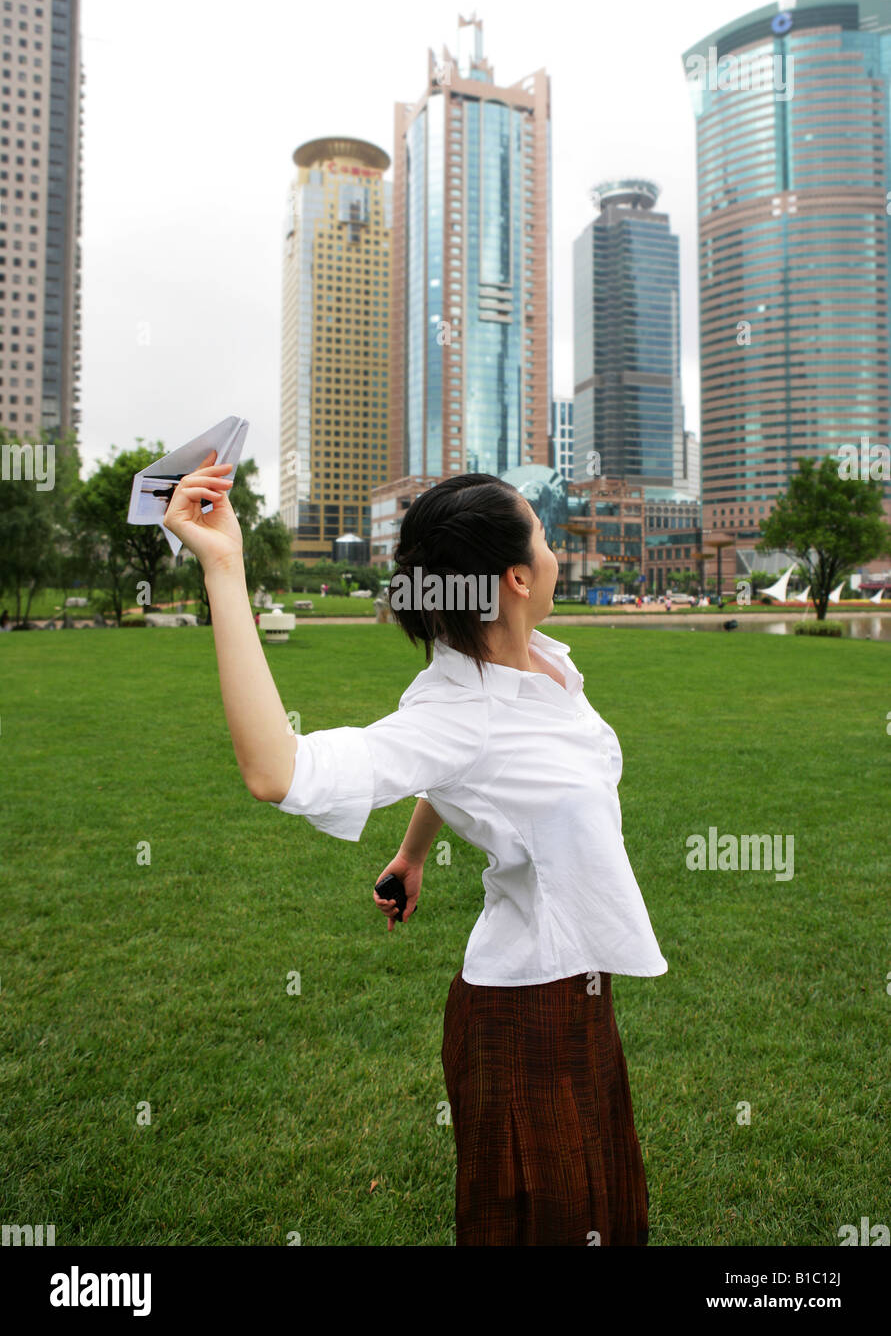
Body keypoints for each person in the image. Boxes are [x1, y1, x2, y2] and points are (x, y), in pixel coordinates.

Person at [161, 453, 667, 1247]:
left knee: (607, 1210)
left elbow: (477, 779)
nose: (553, 549)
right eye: (541, 536)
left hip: (581, 992)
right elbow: (275, 771)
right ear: (517, 578)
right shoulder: (455, 712)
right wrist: (224, 567)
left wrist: (414, 852)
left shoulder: (544, 664)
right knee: (549, 1221)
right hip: (523, 1011)